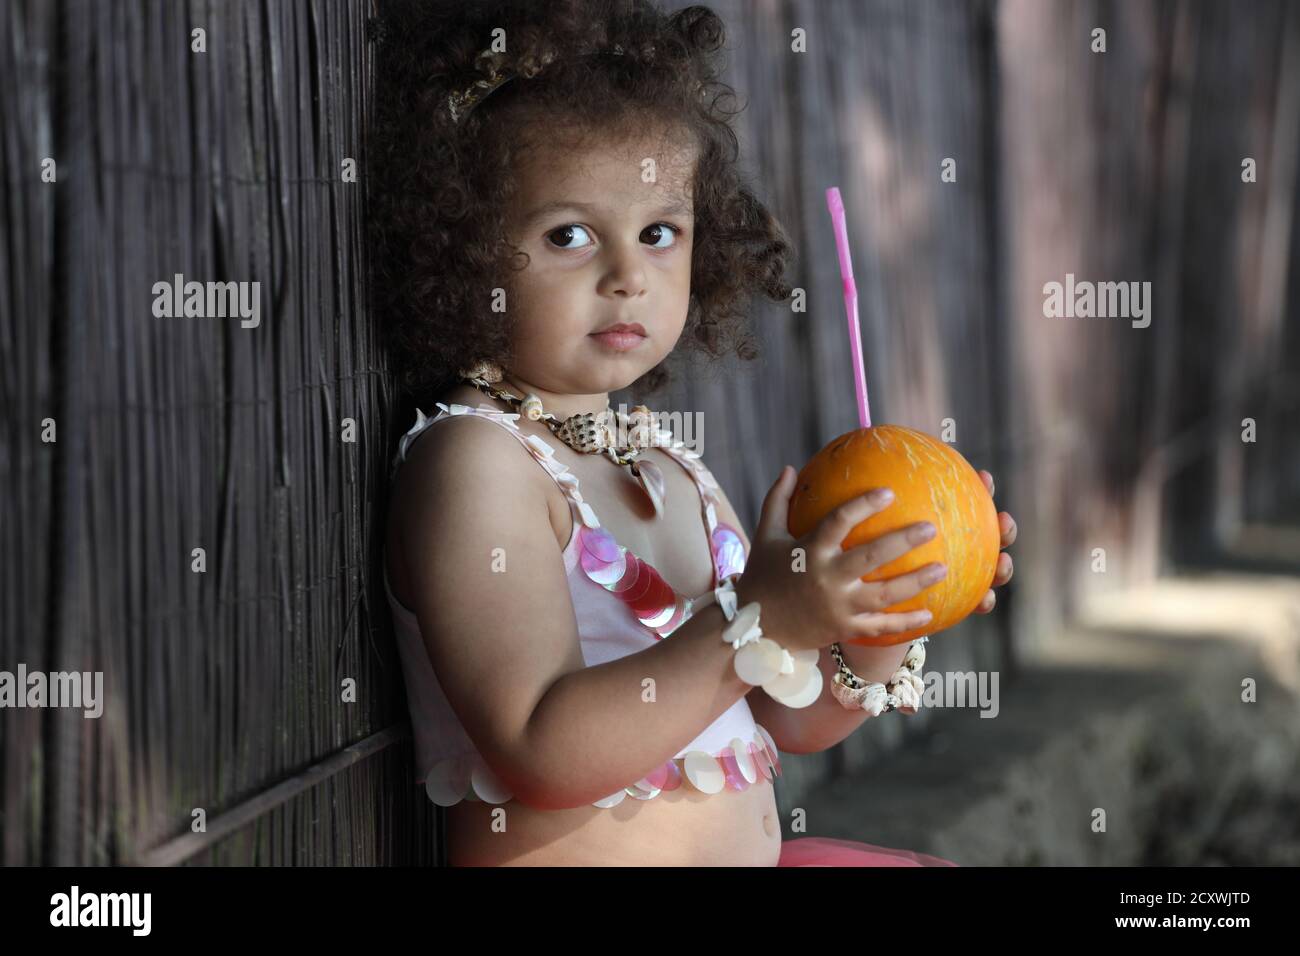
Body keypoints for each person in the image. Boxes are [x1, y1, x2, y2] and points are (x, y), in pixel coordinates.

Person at [369, 0, 1016, 866]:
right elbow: (537, 748)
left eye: (659, 232)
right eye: (569, 234)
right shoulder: (479, 466)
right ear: (461, 251)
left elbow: (786, 714)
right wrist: (755, 613)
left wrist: (875, 614)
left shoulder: (673, 468)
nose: (628, 275)